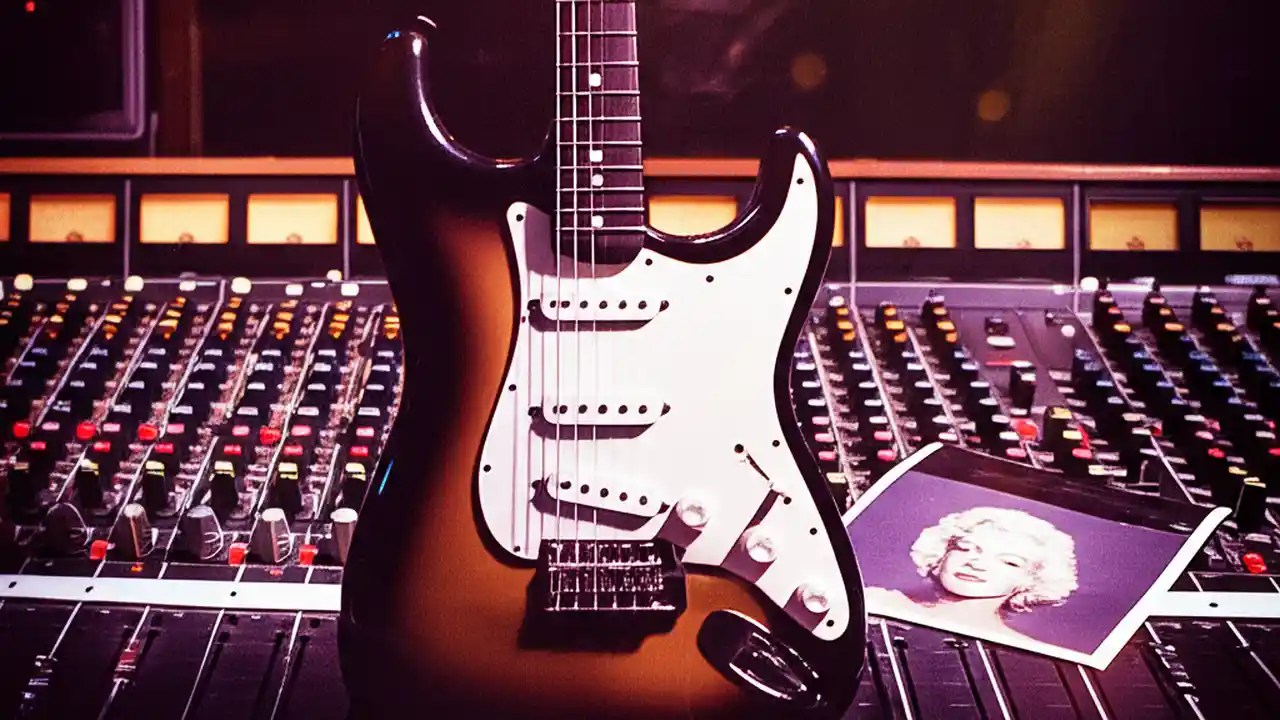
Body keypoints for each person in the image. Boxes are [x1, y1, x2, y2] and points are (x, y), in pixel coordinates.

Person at [867, 506, 1079, 646]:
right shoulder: (876, 602)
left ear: (1032, 581)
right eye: (966, 548)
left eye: (1009, 561)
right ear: (942, 554)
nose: (975, 563)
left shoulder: (1027, 648)